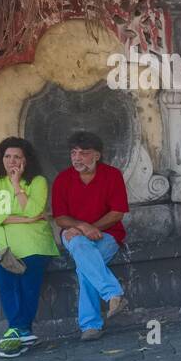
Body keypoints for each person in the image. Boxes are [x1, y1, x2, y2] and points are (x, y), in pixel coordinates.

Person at [0, 137, 59, 357]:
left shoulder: (38, 181)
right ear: (0, 158)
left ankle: (15, 332)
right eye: (7, 156)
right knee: (8, 287)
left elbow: (33, 210)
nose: (11, 161)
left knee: (28, 288)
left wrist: (16, 185)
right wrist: (23, 219)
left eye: (17, 156)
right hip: (0, 247)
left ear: (26, 159)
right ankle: (22, 332)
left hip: (34, 243)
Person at [52, 131, 129, 341]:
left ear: (97, 155)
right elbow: (60, 218)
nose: (77, 158)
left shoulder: (112, 175)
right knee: (78, 244)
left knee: (86, 267)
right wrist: (82, 227)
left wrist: (90, 227)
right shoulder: (62, 179)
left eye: (84, 153)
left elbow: (117, 213)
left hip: (108, 235)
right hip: (74, 235)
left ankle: (90, 325)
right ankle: (113, 293)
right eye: (74, 153)